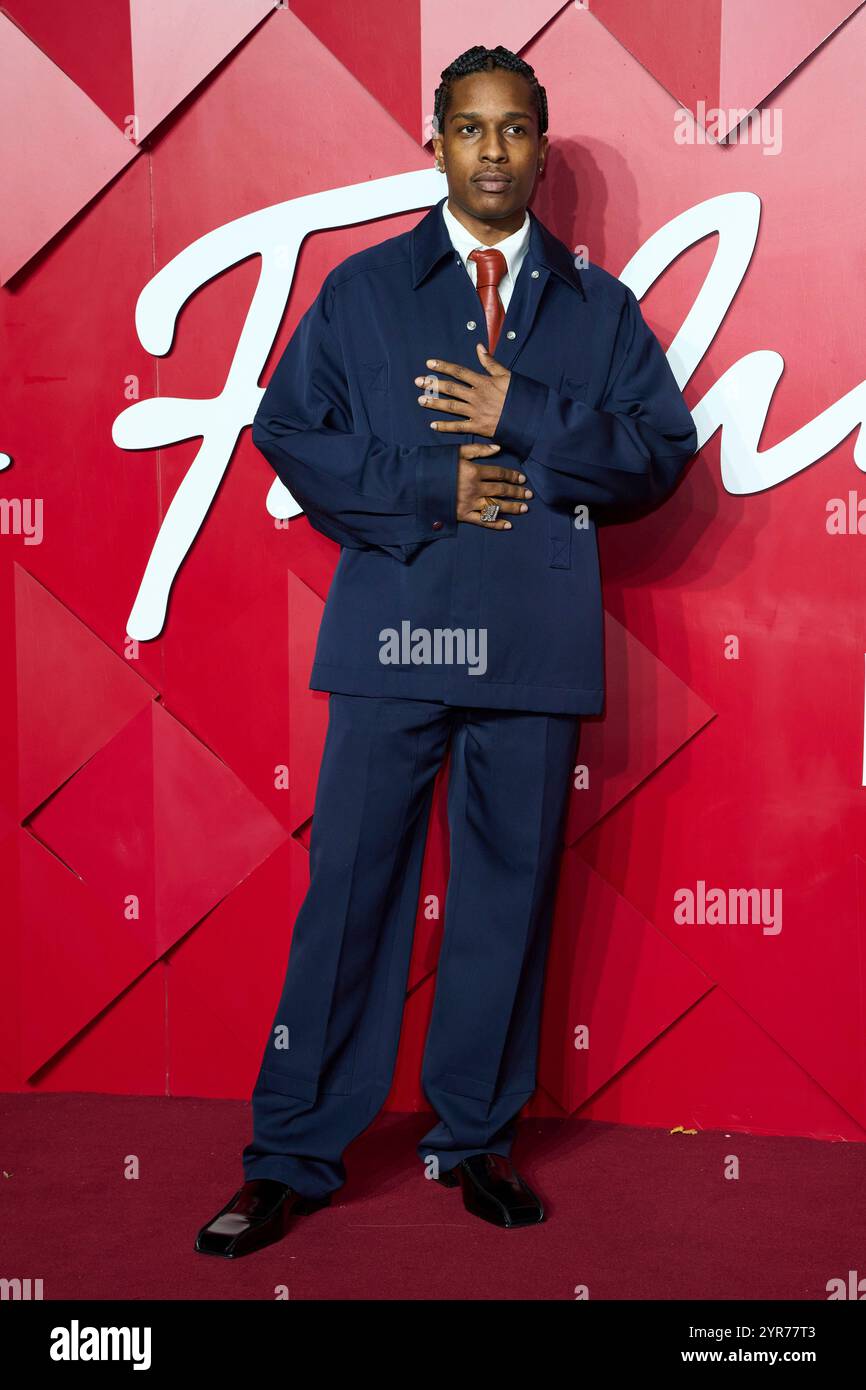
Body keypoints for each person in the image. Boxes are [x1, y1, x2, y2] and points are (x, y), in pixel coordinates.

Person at [195, 44, 697, 1258]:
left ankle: (472, 1139)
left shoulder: (596, 307)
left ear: (537, 146)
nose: (491, 152)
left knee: (502, 903)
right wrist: (429, 479)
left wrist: (520, 415)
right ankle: (290, 1154)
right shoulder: (363, 291)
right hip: (391, 640)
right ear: (434, 141)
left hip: (529, 649)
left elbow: (658, 452)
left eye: (514, 130)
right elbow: (285, 428)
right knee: (348, 900)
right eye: (468, 129)